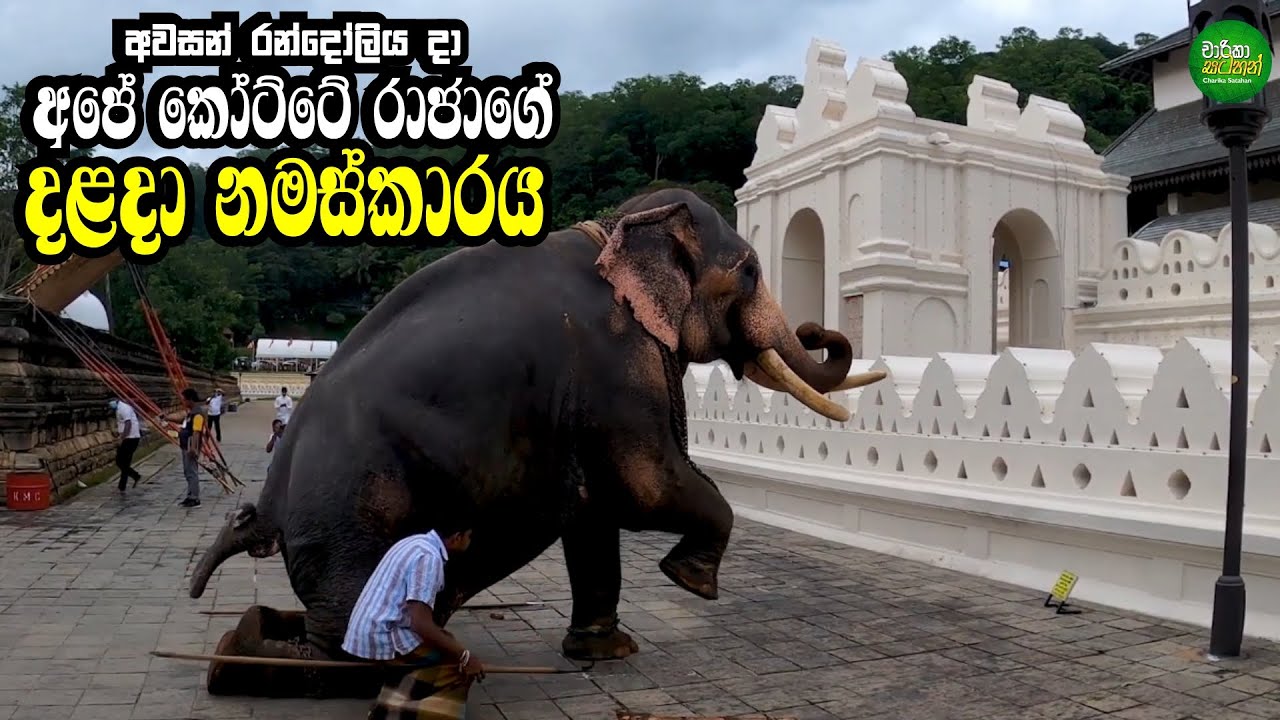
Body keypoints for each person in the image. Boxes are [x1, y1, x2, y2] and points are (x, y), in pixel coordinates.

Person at [343, 520, 485, 696]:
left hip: (367, 628)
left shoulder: (416, 541)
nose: (469, 541)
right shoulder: (429, 559)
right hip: (380, 635)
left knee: (448, 641)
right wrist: (465, 656)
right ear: (457, 537)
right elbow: (419, 623)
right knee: (453, 661)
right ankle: (404, 708)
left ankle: (399, 696)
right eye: (469, 536)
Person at [178, 387, 209, 508]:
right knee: (187, 471)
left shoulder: (197, 414)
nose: (184, 402)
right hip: (185, 445)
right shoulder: (191, 413)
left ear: (190, 399)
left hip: (190, 446)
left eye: (184, 400)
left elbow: (196, 432)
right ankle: (190, 495)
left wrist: (194, 448)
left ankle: (195, 498)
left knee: (192, 472)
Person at [109, 398, 143, 492]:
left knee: (120, 461)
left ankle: (135, 475)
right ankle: (122, 486)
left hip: (130, 438)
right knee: (125, 462)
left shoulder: (124, 408)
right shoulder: (119, 409)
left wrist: (122, 438)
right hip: (129, 437)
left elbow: (128, 424)